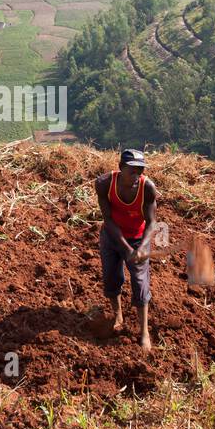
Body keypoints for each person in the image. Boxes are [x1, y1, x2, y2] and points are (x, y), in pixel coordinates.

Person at [94, 148, 158, 351]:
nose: (136, 175)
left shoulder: (147, 188)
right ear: (121, 168)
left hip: (138, 238)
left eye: (140, 170)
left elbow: (152, 222)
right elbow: (108, 220)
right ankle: (118, 315)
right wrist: (126, 248)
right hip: (112, 237)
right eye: (132, 170)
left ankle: (144, 332)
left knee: (140, 283)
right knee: (111, 278)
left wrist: (140, 248)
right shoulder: (104, 184)